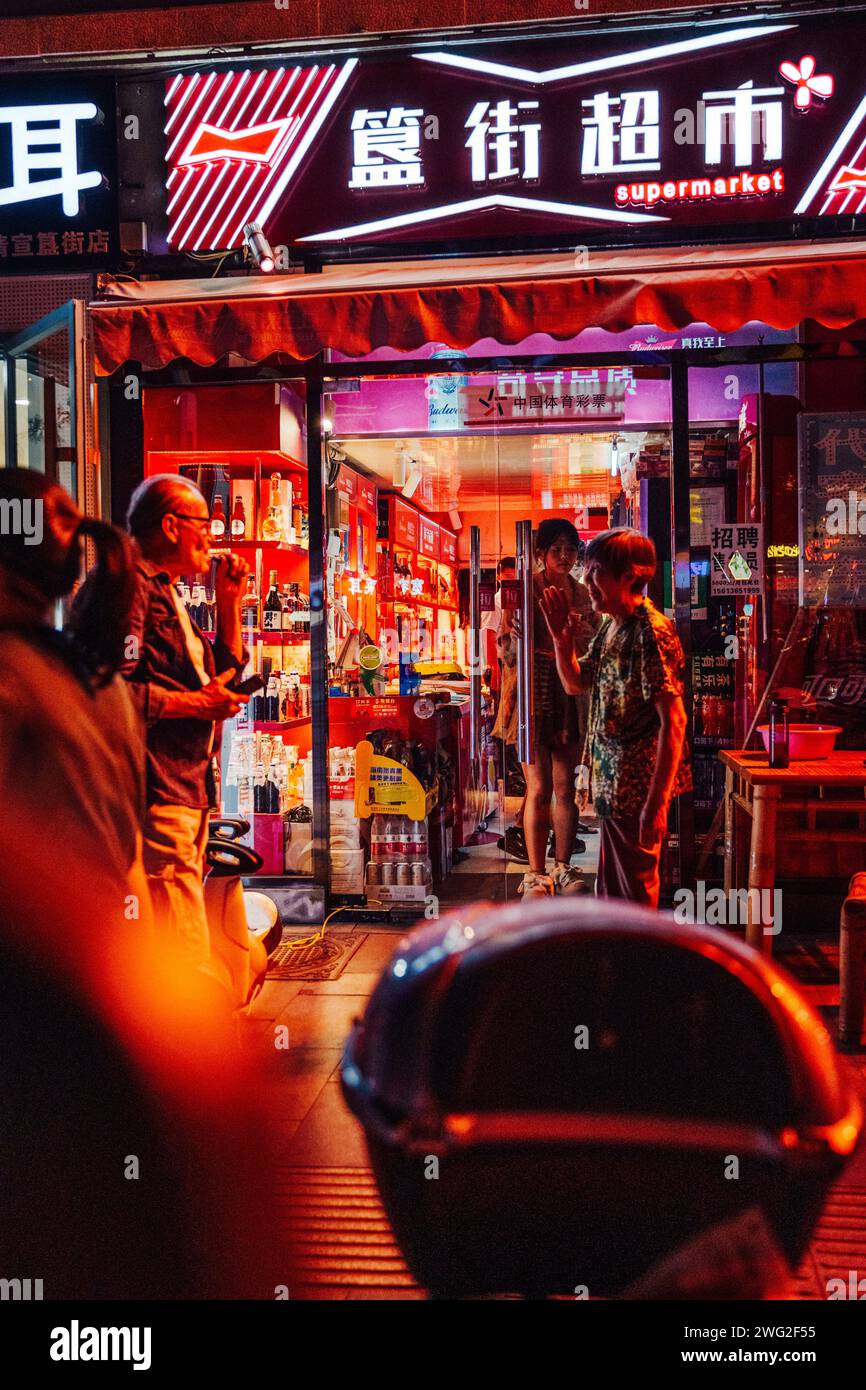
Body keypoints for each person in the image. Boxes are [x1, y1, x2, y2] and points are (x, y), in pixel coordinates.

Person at [0, 468, 149, 923]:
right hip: (102, 942)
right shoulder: (100, 679)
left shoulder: (12, 678)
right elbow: (128, 851)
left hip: (36, 959)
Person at [118, 474, 250, 966]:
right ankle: (185, 1038)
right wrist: (199, 706)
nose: (212, 538)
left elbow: (222, 675)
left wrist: (231, 604)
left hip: (190, 785)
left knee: (182, 916)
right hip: (158, 788)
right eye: (204, 525)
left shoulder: (167, 590)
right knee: (182, 938)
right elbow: (114, 690)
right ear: (171, 526)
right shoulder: (130, 586)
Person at [541, 527, 690, 909]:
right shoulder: (611, 626)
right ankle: (618, 963)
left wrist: (655, 806)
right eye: (586, 572)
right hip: (613, 788)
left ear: (629, 576)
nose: (586, 582)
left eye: (595, 573)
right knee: (614, 896)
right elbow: (576, 682)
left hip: (638, 791)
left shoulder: (650, 632)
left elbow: (673, 722)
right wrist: (561, 642)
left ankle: (637, 967)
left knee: (635, 895)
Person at [496, 518, 598, 898]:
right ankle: (536, 873)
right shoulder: (523, 591)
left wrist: (574, 634)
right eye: (556, 549)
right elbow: (505, 653)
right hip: (532, 688)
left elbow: (592, 644)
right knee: (538, 788)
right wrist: (516, 637)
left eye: (570, 549)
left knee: (565, 787)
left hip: (568, 690)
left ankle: (564, 866)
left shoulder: (583, 594)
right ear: (540, 554)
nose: (564, 556)